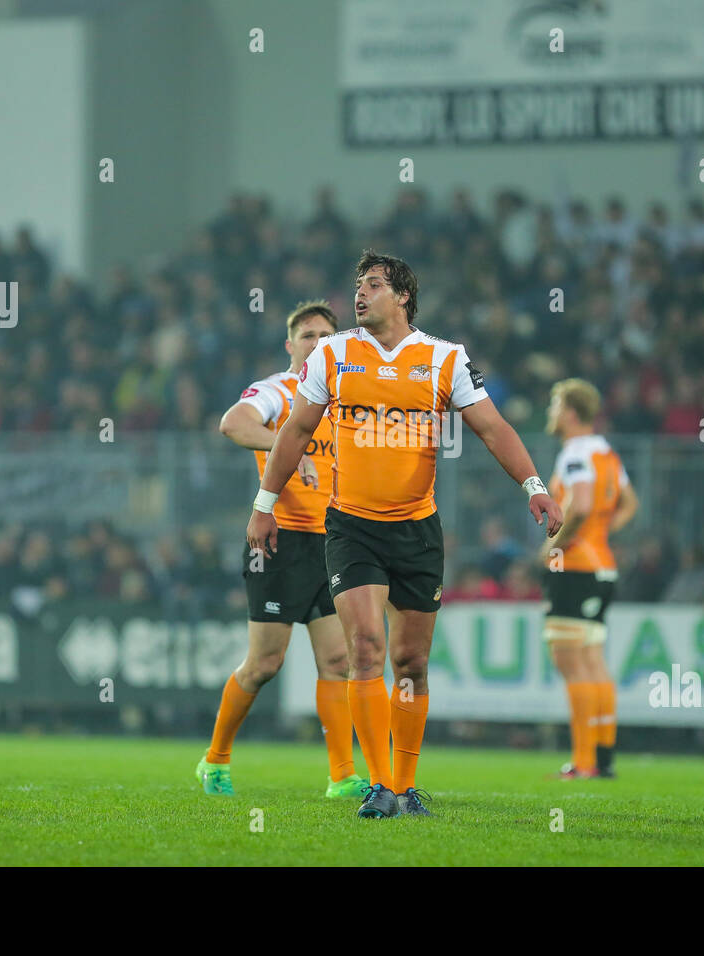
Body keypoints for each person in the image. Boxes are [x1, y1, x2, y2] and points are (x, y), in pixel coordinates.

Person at [245, 251, 563, 818]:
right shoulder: (334, 353)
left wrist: (533, 485)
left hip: (417, 530)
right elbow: (294, 430)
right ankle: (379, 785)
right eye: (358, 286)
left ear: (403, 297)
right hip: (350, 527)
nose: (359, 295)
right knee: (365, 648)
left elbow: (492, 428)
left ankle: (406, 785)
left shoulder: (445, 359)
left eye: (372, 285)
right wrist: (264, 505)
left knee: (411, 662)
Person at [197, 301, 367, 799]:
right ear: (290, 345)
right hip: (278, 542)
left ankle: (342, 776)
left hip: (333, 542)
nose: (317, 343)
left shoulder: (345, 400)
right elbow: (233, 423)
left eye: (326, 336)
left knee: (337, 662)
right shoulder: (279, 390)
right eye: (307, 335)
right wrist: (283, 447)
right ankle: (216, 760)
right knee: (265, 665)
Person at [540, 378, 636, 779]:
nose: (552, 412)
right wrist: (600, 534)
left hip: (575, 567)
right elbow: (630, 503)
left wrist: (555, 545)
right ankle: (603, 757)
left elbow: (578, 504)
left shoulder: (576, 452)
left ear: (572, 412)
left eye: (556, 404)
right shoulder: (606, 452)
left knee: (571, 662)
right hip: (602, 565)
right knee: (594, 662)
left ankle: (583, 762)